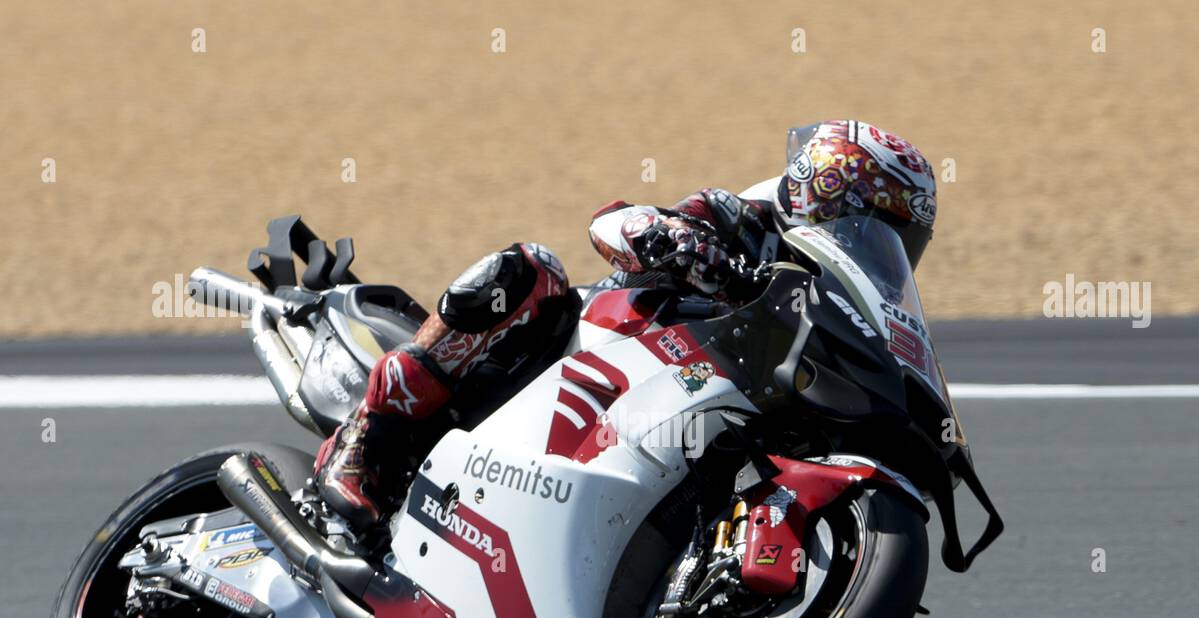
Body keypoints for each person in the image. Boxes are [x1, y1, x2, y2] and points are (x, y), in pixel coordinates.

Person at [313, 119, 938, 530]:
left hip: (678, 403)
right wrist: (674, 240)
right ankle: (367, 439)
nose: (888, 249)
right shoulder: (738, 216)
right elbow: (613, 223)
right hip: (590, 345)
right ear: (829, 190)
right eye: (876, 225)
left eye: (902, 240)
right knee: (528, 270)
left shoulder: (826, 300)